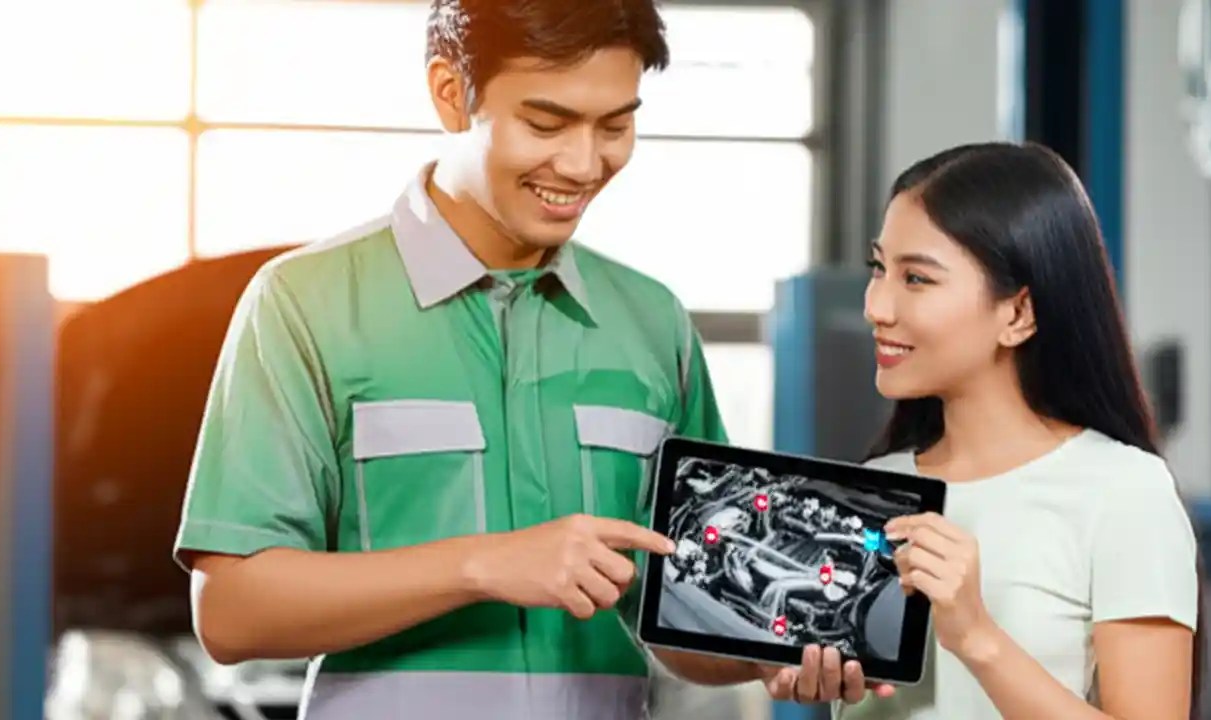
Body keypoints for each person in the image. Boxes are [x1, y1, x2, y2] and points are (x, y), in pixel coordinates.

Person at [173, 1, 892, 717]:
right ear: (452, 94)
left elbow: (682, 618)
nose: (584, 164)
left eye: (615, 124)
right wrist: (480, 565)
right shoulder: (306, 304)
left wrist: (778, 650)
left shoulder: (651, 322)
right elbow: (232, 613)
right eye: (545, 123)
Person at [838, 142, 1202, 720]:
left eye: (916, 279)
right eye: (879, 268)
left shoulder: (1124, 491)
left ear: (1017, 314)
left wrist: (977, 637)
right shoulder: (872, 489)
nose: (876, 305)